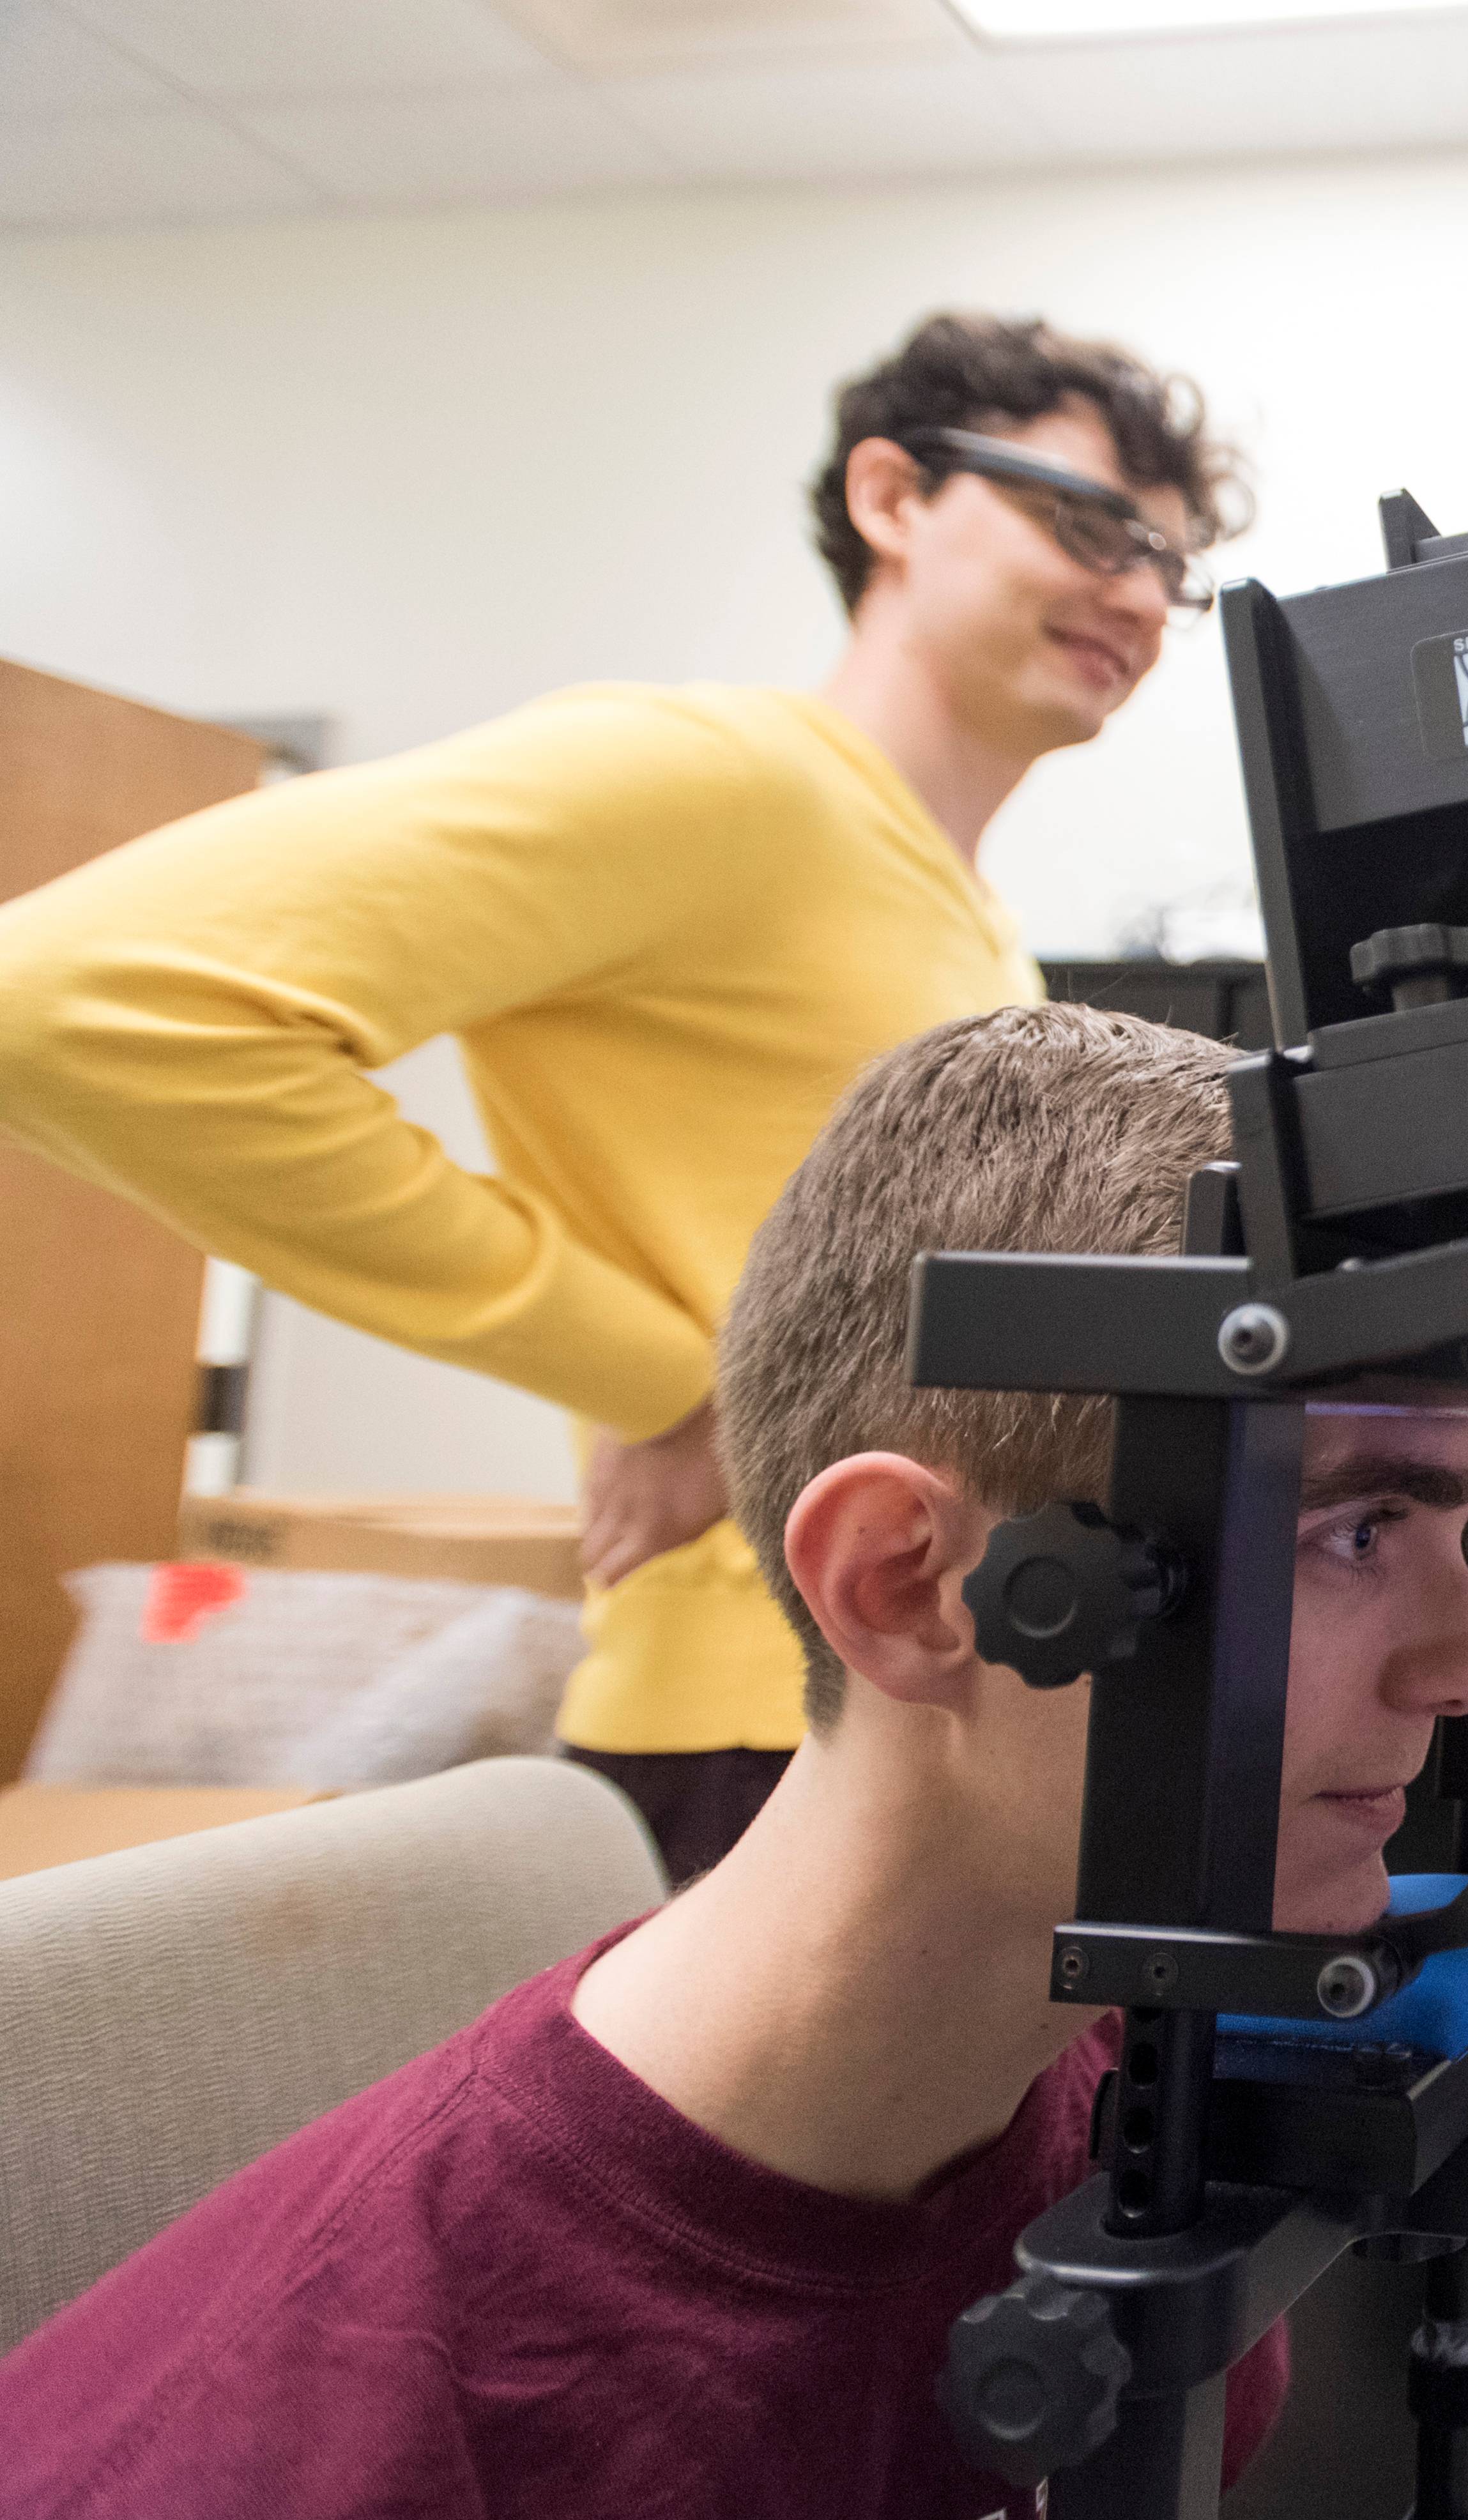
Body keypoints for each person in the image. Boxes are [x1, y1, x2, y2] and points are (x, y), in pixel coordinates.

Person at [0, 1003, 1468, 2520]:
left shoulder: (1122, 2144)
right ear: (909, 1587)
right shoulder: (298, 2485)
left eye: (1460, 1530)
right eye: (1353, 1531)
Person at [0, 312, 1244, 1882]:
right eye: (1089, 521)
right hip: (757, 1727)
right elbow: (67, 1004)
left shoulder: (964, 920)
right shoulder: (729, 780)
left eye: (1173, 563)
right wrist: (669, 1382)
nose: (1138, 590)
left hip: (939, 1693)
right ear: (892, 498)